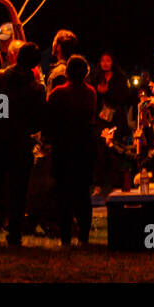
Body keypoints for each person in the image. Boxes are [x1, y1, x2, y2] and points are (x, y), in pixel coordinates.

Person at [0, 41, 46, 246]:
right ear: (34, 64)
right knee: (18, 190)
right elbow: (38, 121)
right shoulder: (36, 88)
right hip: (20, 144)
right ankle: (15, 232)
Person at [44, 54, 99, 246]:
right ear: (85, 73)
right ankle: (83, 236)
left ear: (67, 72)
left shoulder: (58, 93)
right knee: (83, 193)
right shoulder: (91, 92)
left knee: (64, 194)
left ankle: (66, 236)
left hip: (63, 146)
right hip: (84, 147)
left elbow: (48, 118)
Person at [45, 29, 78, 93]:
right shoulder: (76, 69)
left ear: (59, 46)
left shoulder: (59, 72)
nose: (53, 43)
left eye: (54, 40)